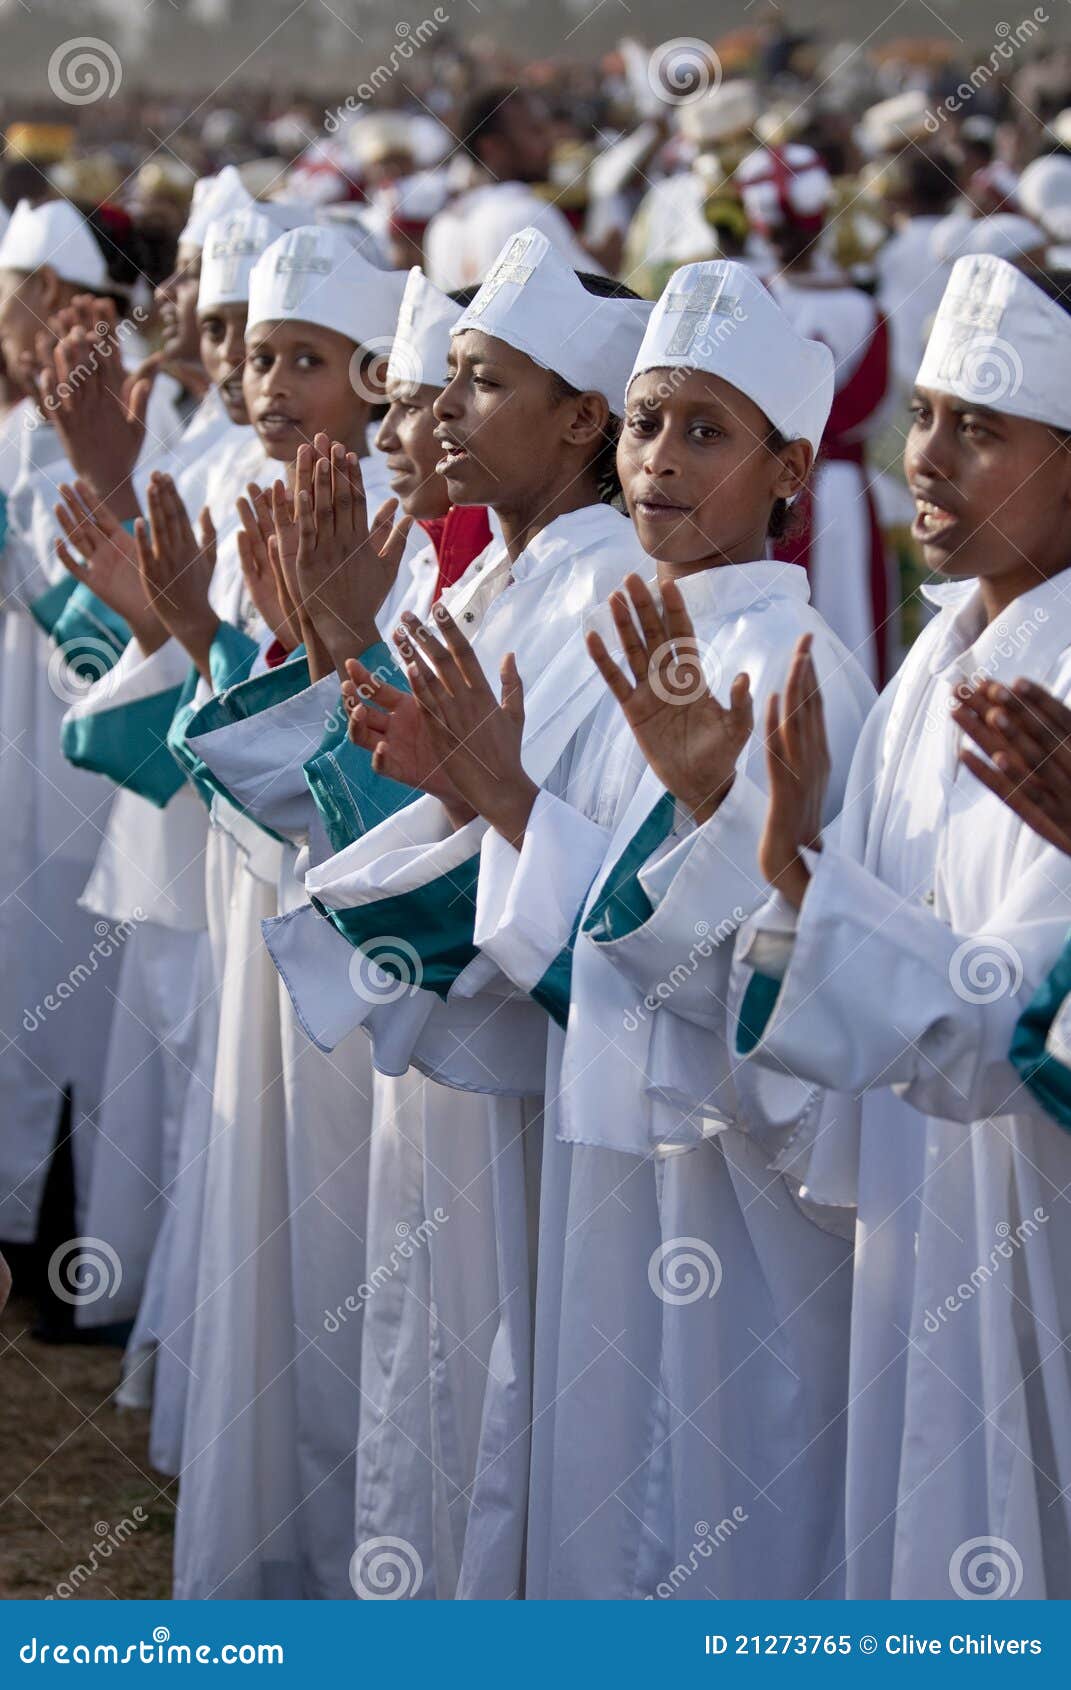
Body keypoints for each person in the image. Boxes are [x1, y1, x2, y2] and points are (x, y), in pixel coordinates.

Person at [393, 259, 873, 1596]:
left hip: (721, 1198)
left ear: (788, 471)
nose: (657, 458)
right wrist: (493, 802)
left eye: (704, 430)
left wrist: (533, 808)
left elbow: (774, 989)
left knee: (699, 1509)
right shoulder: (640, 639)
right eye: (649, 421)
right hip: (598, 1154)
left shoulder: (788, 672)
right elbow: (581, 922)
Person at [269, 230, 652, 1599]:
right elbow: (400, 798)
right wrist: (332, 638)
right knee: (432, 1374)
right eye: (439, 383)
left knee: (506, 1382)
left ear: (580, 419)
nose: (436, 417)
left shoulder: (607, 589)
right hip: (439, 1049)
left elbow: (551, 848)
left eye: (479, 384)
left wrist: (478, 802)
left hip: (521, 1065)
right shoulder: (476, 570)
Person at [729, 254, 1071, 1599]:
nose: (921, 456)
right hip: (927, 1215)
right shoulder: (933, 661)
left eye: (977, 427)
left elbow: (1006, 1034)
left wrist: (808, 898)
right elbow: (870, 958)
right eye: (921, 414)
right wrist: (783, 863)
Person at [735, 140, 895, 684]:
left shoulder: (758, 303)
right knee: (850, 623)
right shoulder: (866, 308)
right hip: (840, 485)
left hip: (775, 481)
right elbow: (867, 404)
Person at [423, 88, 596, 290]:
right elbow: (600, 301)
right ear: (493, 147)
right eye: (535, 131)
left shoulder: (440, 226)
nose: (550, 143)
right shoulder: (528, 214)